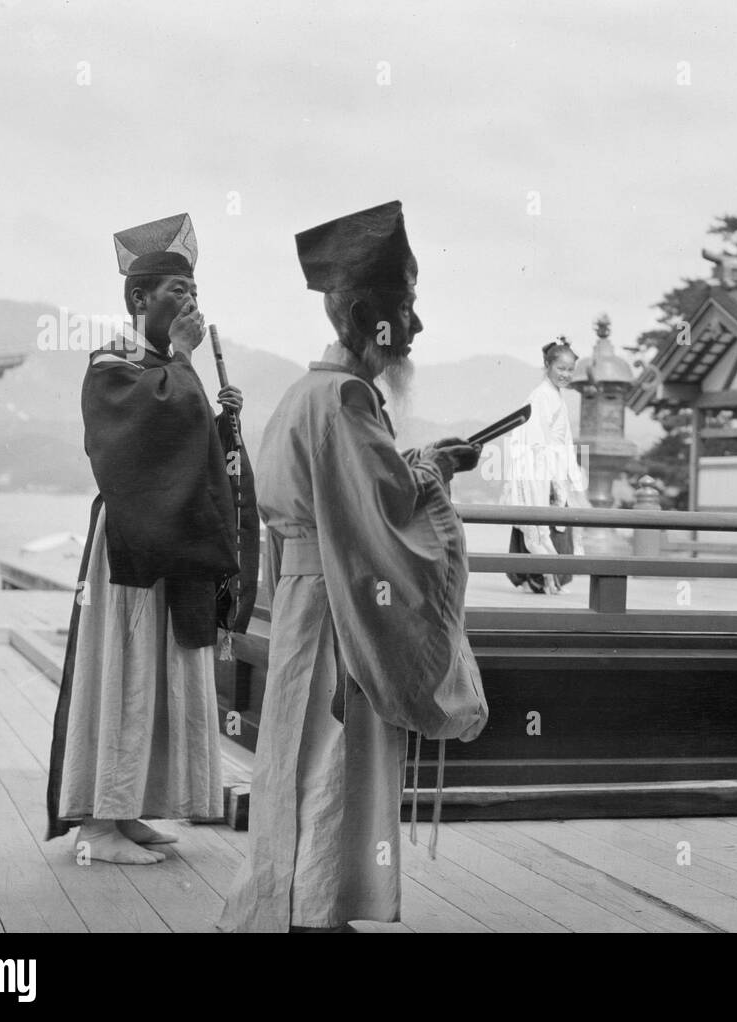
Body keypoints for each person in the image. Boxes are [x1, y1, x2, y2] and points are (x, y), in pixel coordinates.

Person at [219, 200, 488, 933]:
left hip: (310, 595)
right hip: (345, 602)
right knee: (335, 759)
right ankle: (314, 911)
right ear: (376, 322)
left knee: (294, 757)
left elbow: (351, 492)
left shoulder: (305, 395)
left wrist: (418, 468)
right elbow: (385, 514)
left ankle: (286, 903)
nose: (416, 328)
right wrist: (432, 471)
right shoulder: (344, 398)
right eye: (407, 309)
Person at [45, 213, 248, 863]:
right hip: (130, 548)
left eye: (195, 295)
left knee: (157, 677)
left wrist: (221, 424)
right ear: (138, 299)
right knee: (127, 676)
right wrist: (186, 367)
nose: (191, 307)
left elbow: (190, 456)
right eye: (177, 295)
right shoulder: (114, 362)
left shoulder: (167, 366)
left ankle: (129, 811)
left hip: (176, 547)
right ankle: (98, 826)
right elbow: (140, 446)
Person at [501, 338, 587, 594]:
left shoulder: (554, 396)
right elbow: (536, 440)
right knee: (545, 523)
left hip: (554, 466)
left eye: (570, 369)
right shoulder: (540, 396)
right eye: (561, 368)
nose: (566, 374)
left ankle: (542, 578)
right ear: (547, 365)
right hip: (542, 468)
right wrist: (546, 477)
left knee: (555, 524)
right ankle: (541, 579)